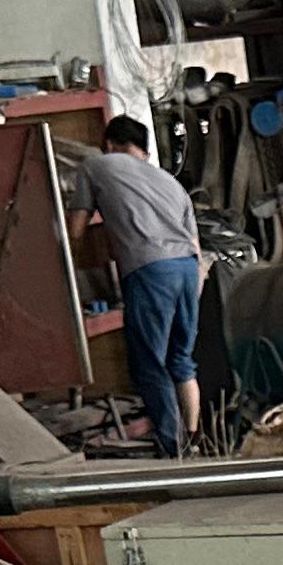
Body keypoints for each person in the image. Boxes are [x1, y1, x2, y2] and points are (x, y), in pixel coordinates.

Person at [73, 114, 203, 455]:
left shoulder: (96, 165)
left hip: (151, 270)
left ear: (110, 144)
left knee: (150, 362)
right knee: (181, 360)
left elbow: (75, 230)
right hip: (188, 269)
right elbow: (196, 246)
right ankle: (192, 440)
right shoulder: (170, 182)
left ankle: (171, 447)